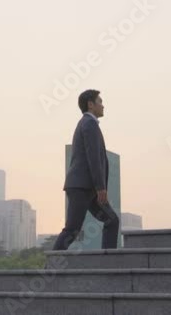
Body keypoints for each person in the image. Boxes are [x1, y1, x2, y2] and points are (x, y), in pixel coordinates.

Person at [52, 89, 120, 251]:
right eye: (100, 102)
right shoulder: (89, 124)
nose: (103, 106)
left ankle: (108, 263)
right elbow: (93, 158)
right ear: (91, 105)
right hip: (82, 188)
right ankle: (50, 266)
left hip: (87, 188)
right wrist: (101, 187)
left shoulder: (88, 124)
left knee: (111, 220)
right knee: (72, 229)